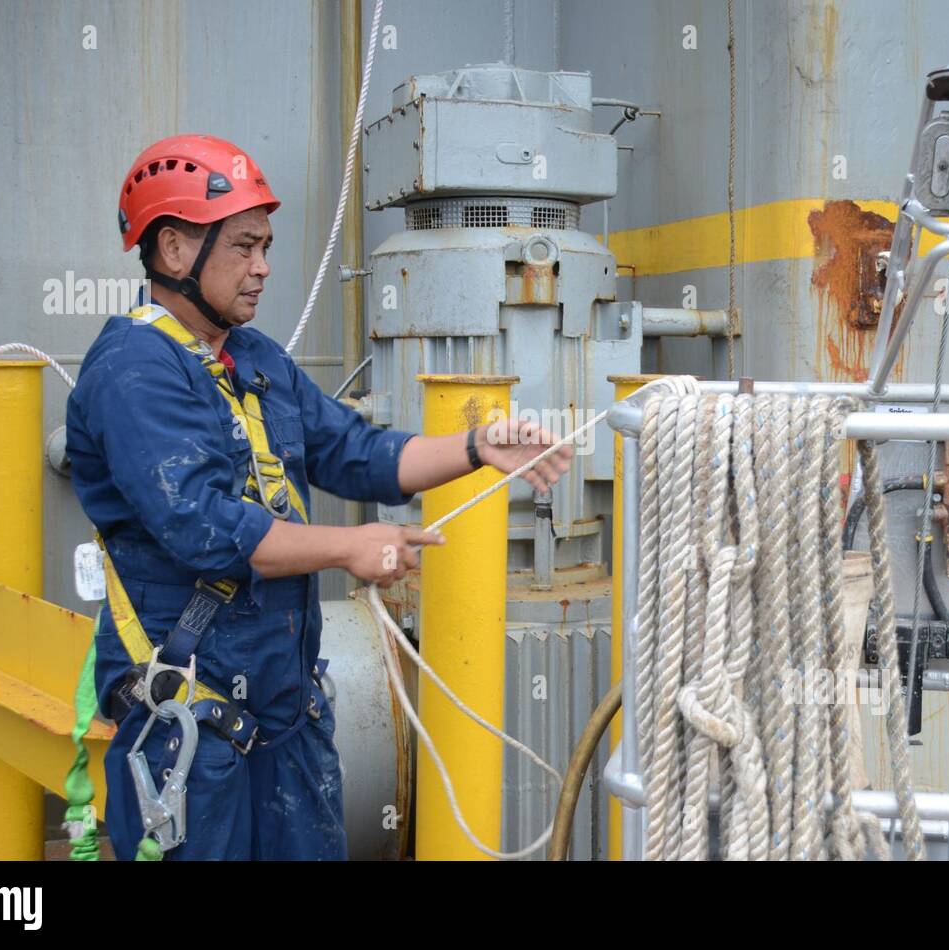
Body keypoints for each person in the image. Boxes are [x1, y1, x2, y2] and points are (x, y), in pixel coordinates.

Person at [65, 134, 571, 860]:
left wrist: (475, 448)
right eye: (243, 246)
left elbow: (354, 453)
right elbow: (208, 528)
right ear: (174, 251)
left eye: (266, 245)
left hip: (286, 718)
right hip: (189, 731)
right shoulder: (132, 370)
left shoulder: (255, 358)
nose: (263, 267)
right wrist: (350, 549)